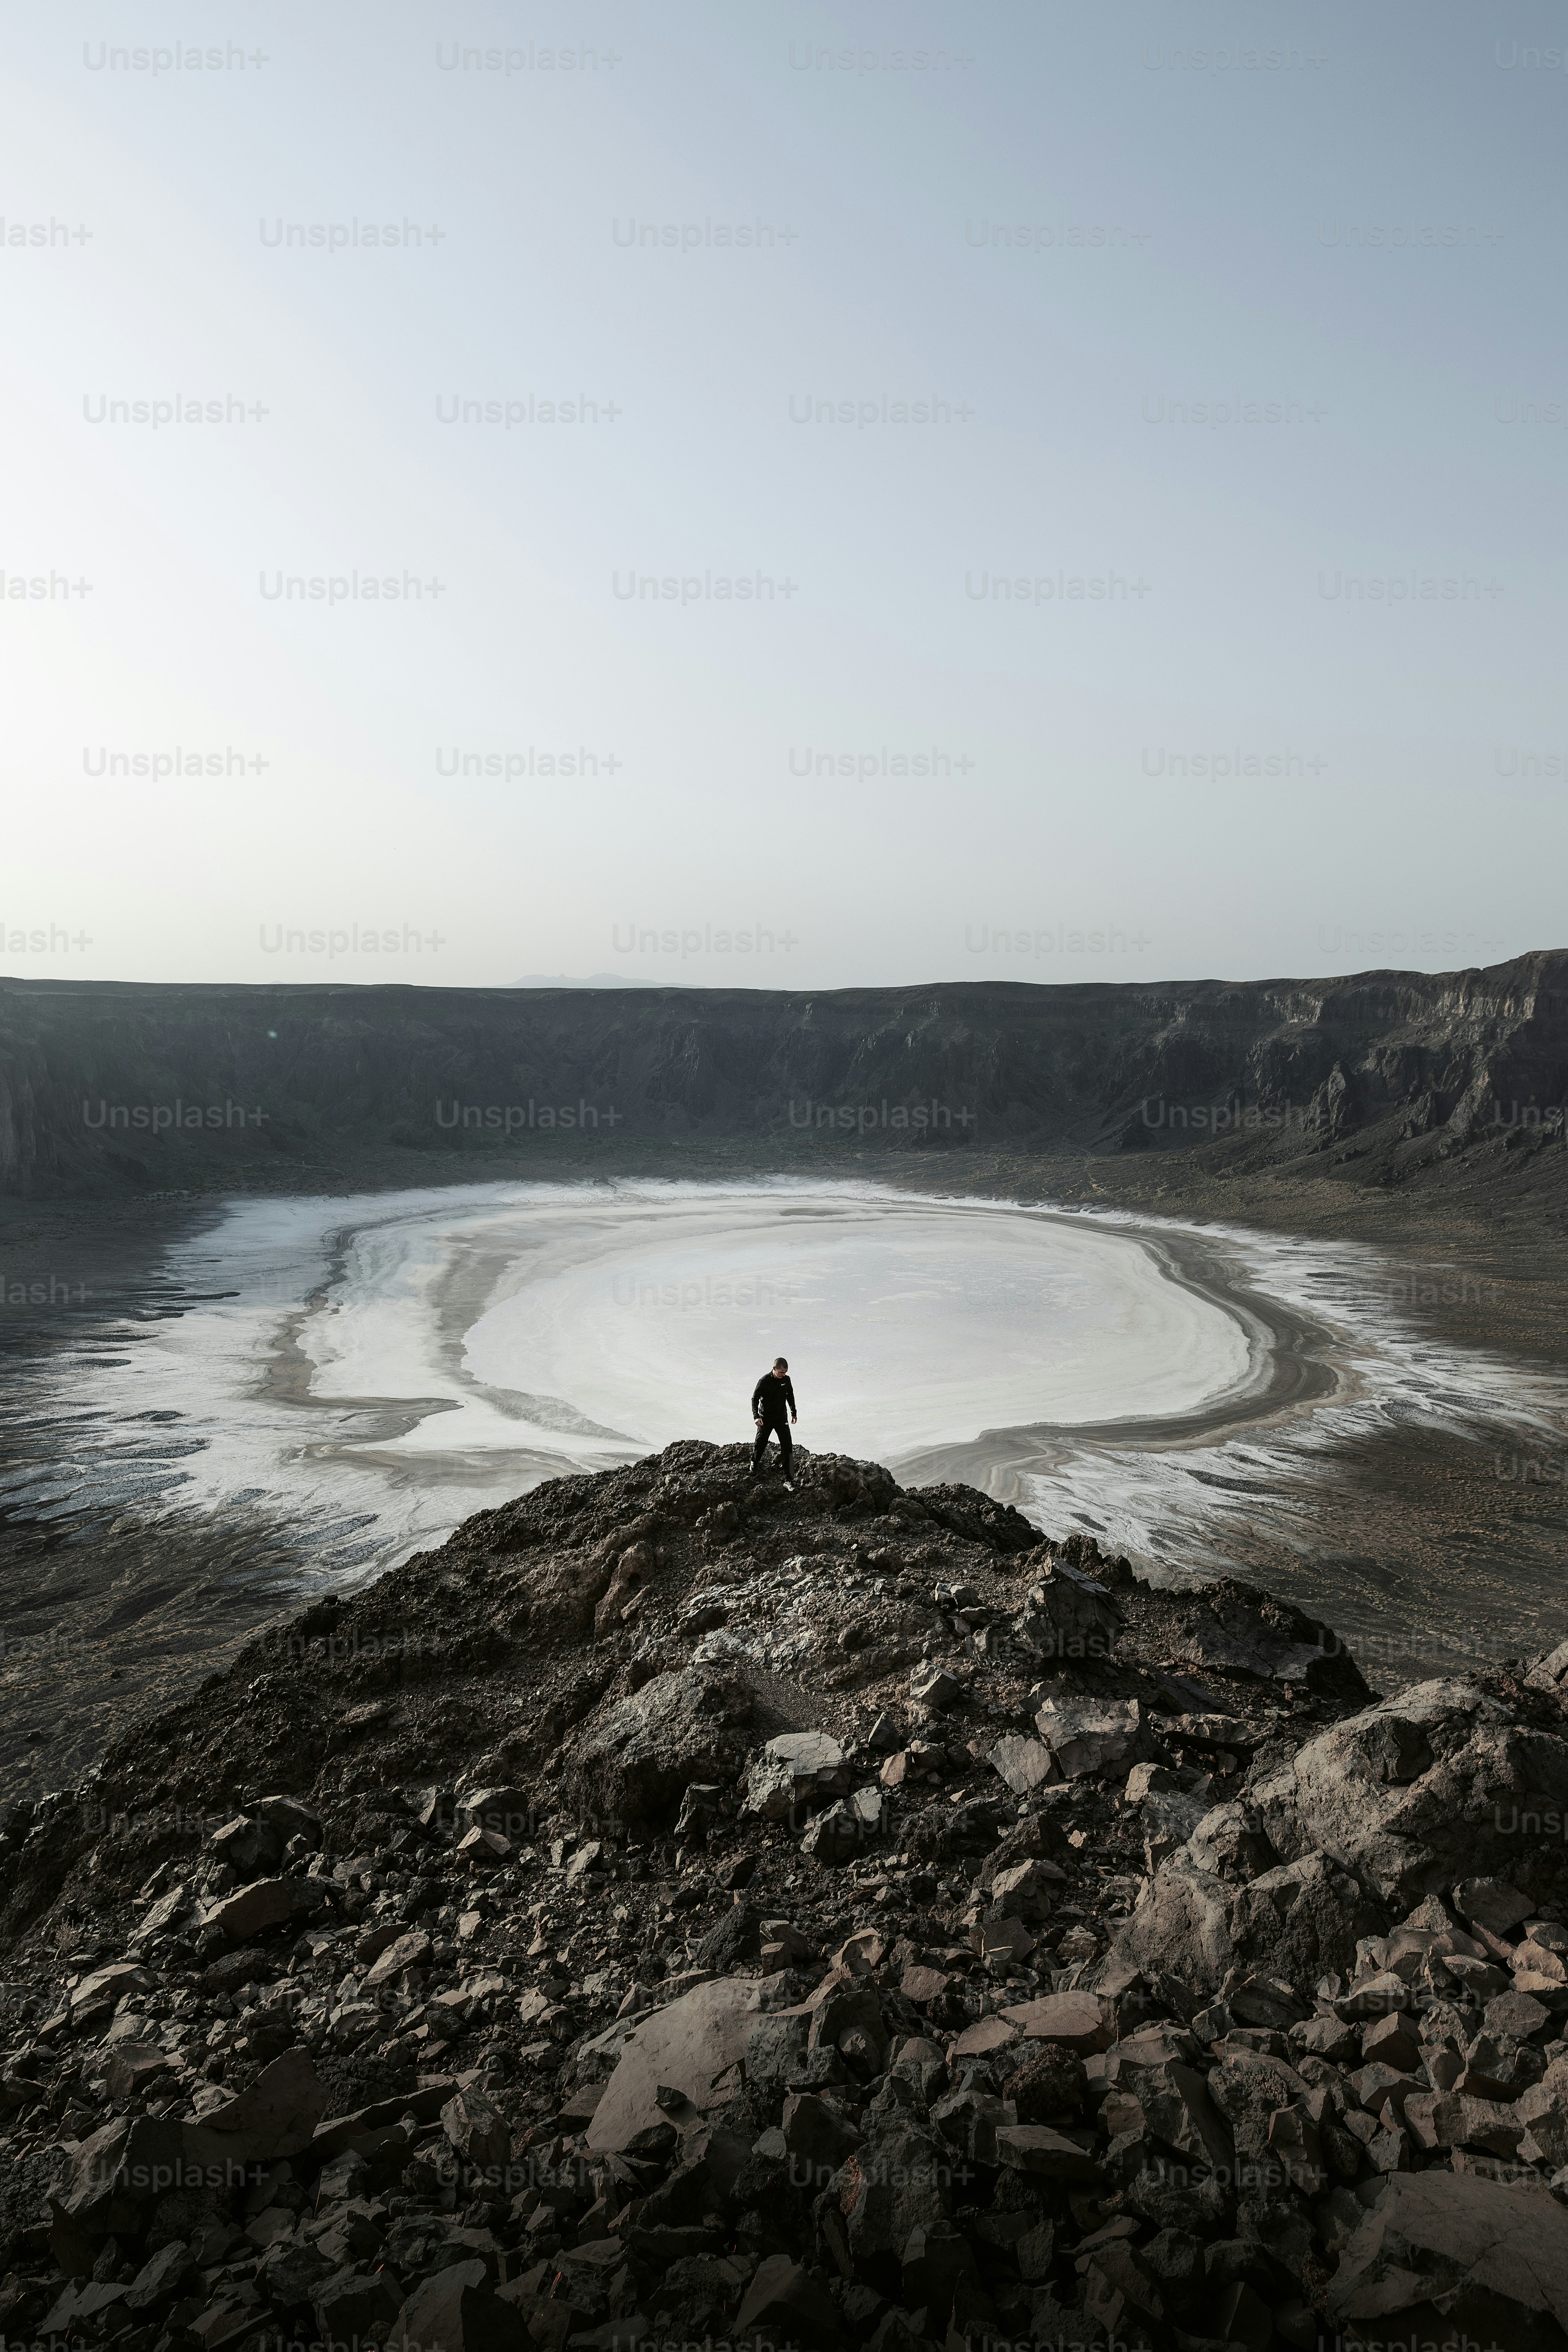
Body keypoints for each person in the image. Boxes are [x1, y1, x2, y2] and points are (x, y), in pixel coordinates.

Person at [751, 1357, 797, 1488]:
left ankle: (789, 1479)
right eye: (781, 1372)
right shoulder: (764, 1381)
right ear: (774, 1369)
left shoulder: (786, 1380)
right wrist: (756, 1417)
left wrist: (794, 1413)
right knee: (761, 1442)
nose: (784, 1375)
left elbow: (790, 1396)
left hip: (781, 1418)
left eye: (786, 1373)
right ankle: (754, 1463)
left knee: (787, 1446)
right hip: (765, 1418)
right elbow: (755, 1400)